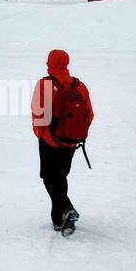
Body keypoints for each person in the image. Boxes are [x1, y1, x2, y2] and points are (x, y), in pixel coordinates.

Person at [31, 49, 94, 235]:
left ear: (49, 63)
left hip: (50, 141)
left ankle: (67, 209)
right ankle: (59, 221)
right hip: (72, 141)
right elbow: (89, 114)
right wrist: (77, 134)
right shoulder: (78, 85)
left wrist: (42, 136)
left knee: (49, 178)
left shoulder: (45, 84)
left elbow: (39, 115)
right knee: (60, 177)